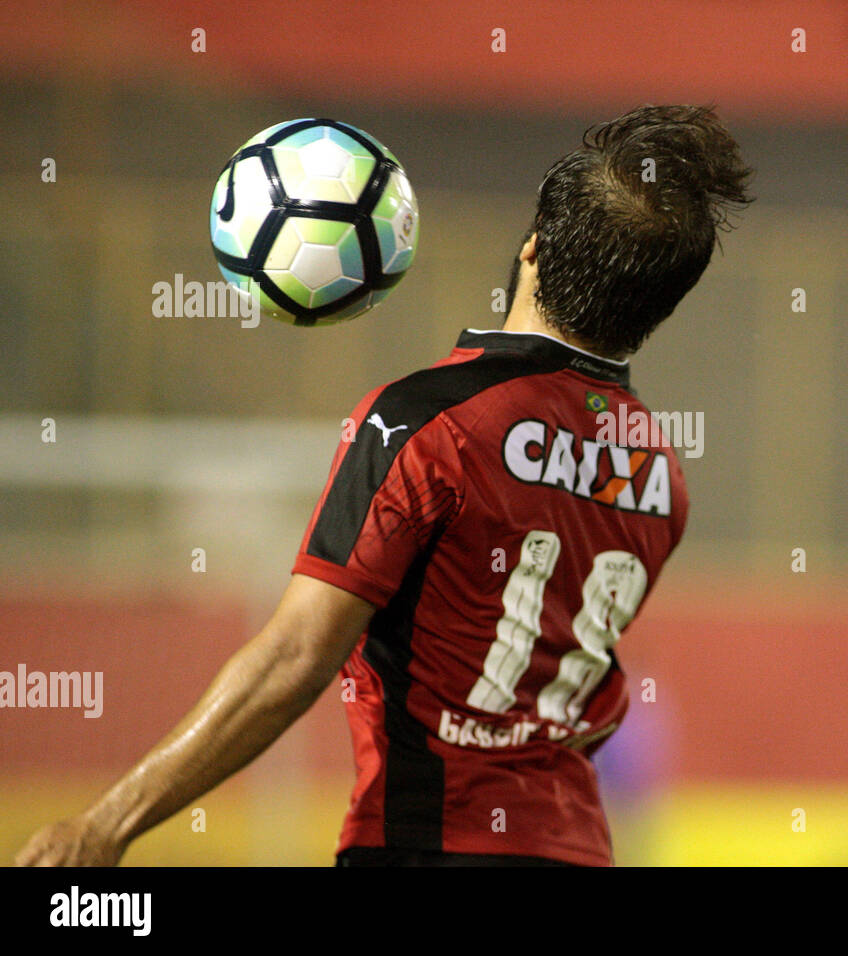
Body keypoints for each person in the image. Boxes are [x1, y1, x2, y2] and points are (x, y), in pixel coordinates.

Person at [16, 104, 753, 867]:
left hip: (425, 841)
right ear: (657, 310)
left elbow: (298, 654)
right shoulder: (659, 475)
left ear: (533, 249)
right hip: (575, 849)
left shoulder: (425, 423)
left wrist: (105, 825)